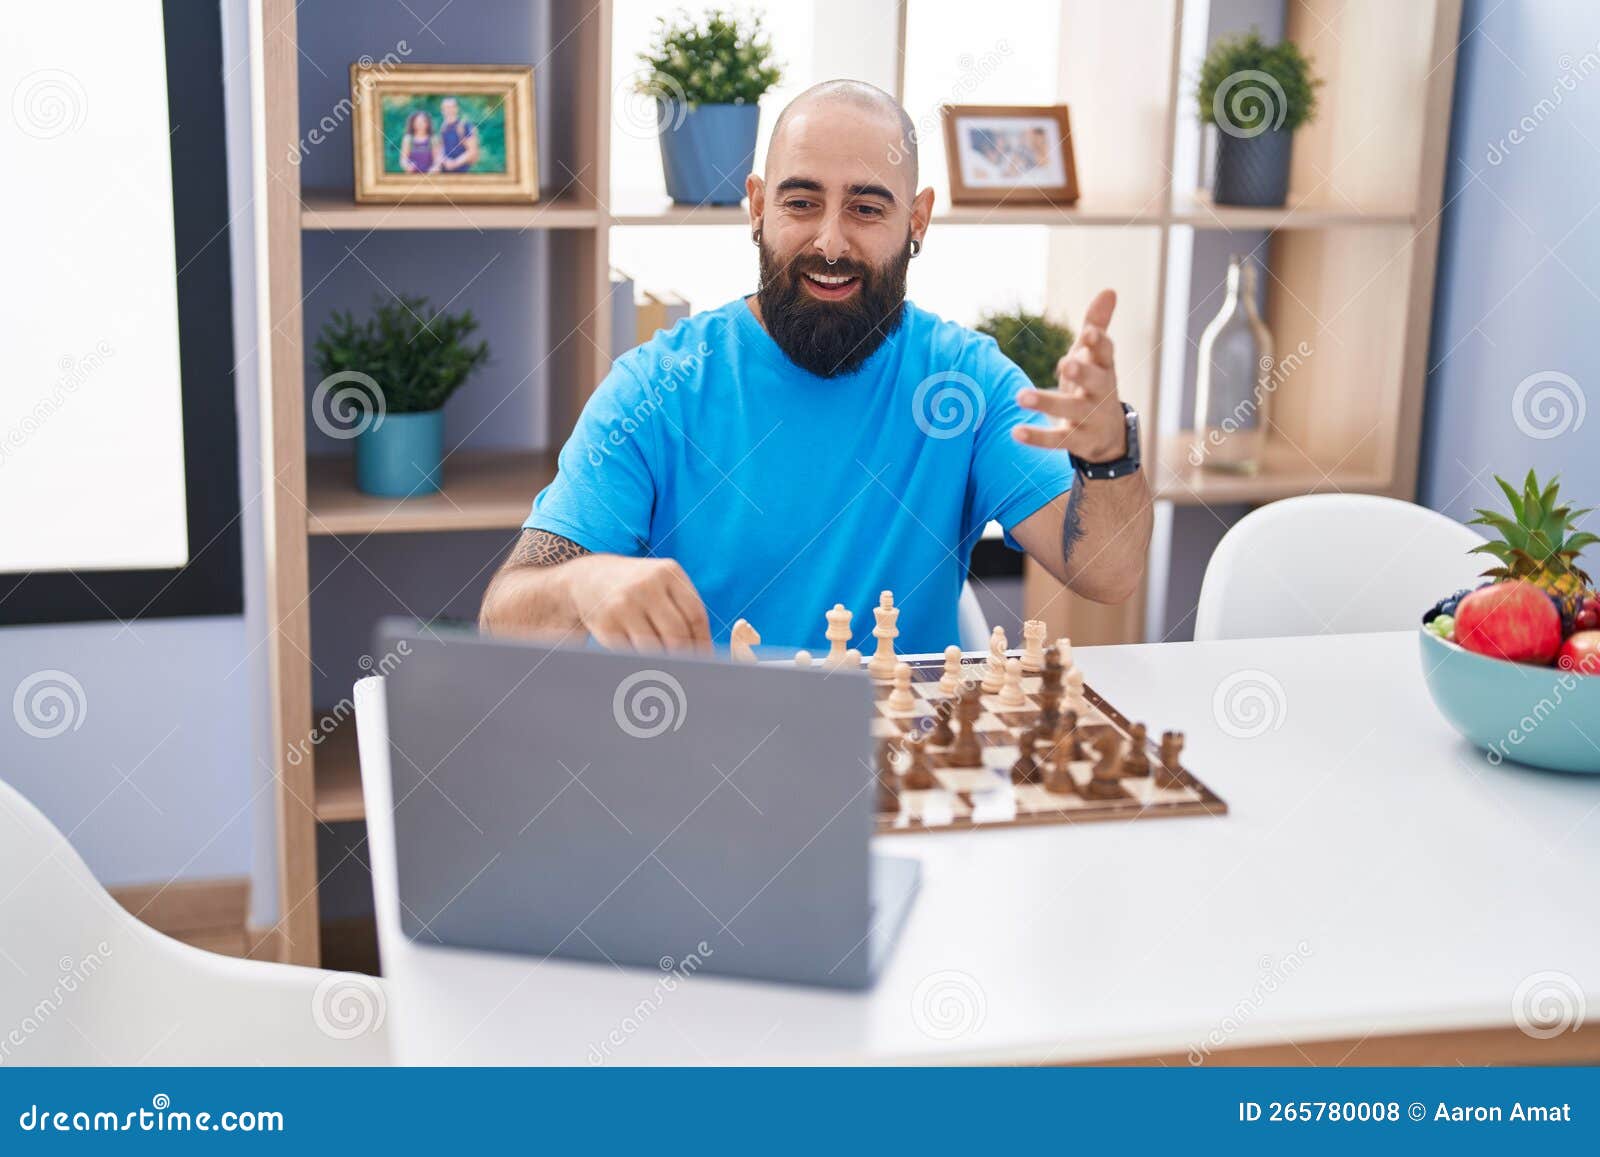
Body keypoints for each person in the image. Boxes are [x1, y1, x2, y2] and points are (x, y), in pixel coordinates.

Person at [480, 80, 1153, 653]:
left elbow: (1110, 573)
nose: (831, 242)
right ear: (756, 206)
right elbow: (505, 614)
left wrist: (1107, 453)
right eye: (801, 203)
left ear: (917, 220)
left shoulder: (965, 381)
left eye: (866, 208)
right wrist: (585, 582)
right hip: (702, 764)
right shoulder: (655, 387)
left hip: (899, 781)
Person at [437, 97, 479, 173]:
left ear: (457, 109)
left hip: (462, 172)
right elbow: (441, 150)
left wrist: (455, 163)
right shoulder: (443, 127)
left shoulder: (465, 125)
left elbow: (472, 151)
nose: (449, 110)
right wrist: (444, 161)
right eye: (446, 107)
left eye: (452, 107)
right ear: (442, 111)